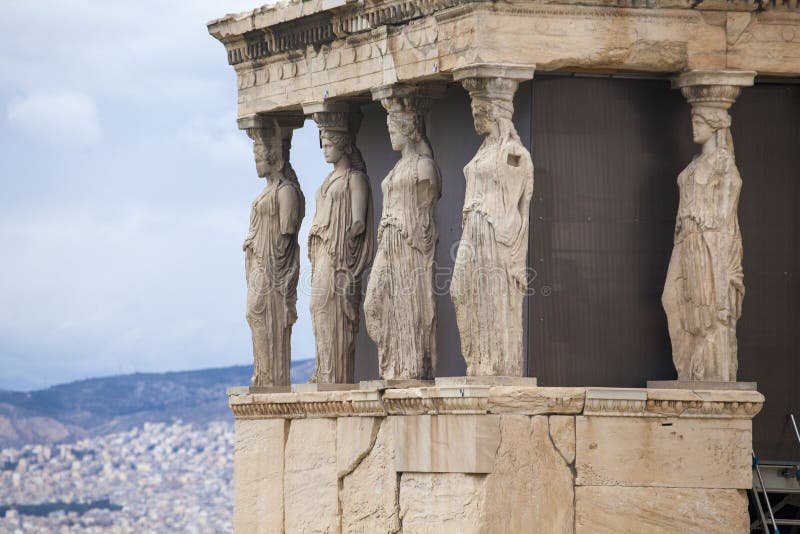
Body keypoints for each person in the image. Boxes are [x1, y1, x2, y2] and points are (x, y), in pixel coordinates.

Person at [662, 106, 744, 381]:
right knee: (671, 299)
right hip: (686, 239)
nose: (694, 127)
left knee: (708, 309)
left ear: (714, 125)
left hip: (709, 242)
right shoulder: (696, 163)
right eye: (694, 121)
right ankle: (689, 368)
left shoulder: (723, 164)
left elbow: (727, 210)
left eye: (699, 122)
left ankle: (707, 373)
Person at [364, 102, 441, 380]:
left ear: (409, 129)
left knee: (408, 302)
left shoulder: (424, 166)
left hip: (409, 244)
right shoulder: (398, 167)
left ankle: (411, 365)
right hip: (388, 240)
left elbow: (427, 210)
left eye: (393, 128)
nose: (390, 134)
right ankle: (392, 360)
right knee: (373, 303)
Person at [308, 127, 374, 383]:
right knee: (317, 308)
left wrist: (341, 240)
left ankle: (335, 375)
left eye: (329, 143)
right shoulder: (327, 180)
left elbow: (358, 222)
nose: (325, 148)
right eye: (322, 144)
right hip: (322, 251)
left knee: (332, 310)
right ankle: (324, 369)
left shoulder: (354, 179)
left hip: (339, 254)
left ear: (344, 144)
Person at [244, 123, 304, 387]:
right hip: (258, 263)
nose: (256, 163)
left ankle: (274, 377)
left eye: (259, 157)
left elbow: (286, 233)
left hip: (272, 267)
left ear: (273, 157)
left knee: (265, 315)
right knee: (254, 315)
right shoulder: (266, 192)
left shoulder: (286, 191)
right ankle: (264, 374)